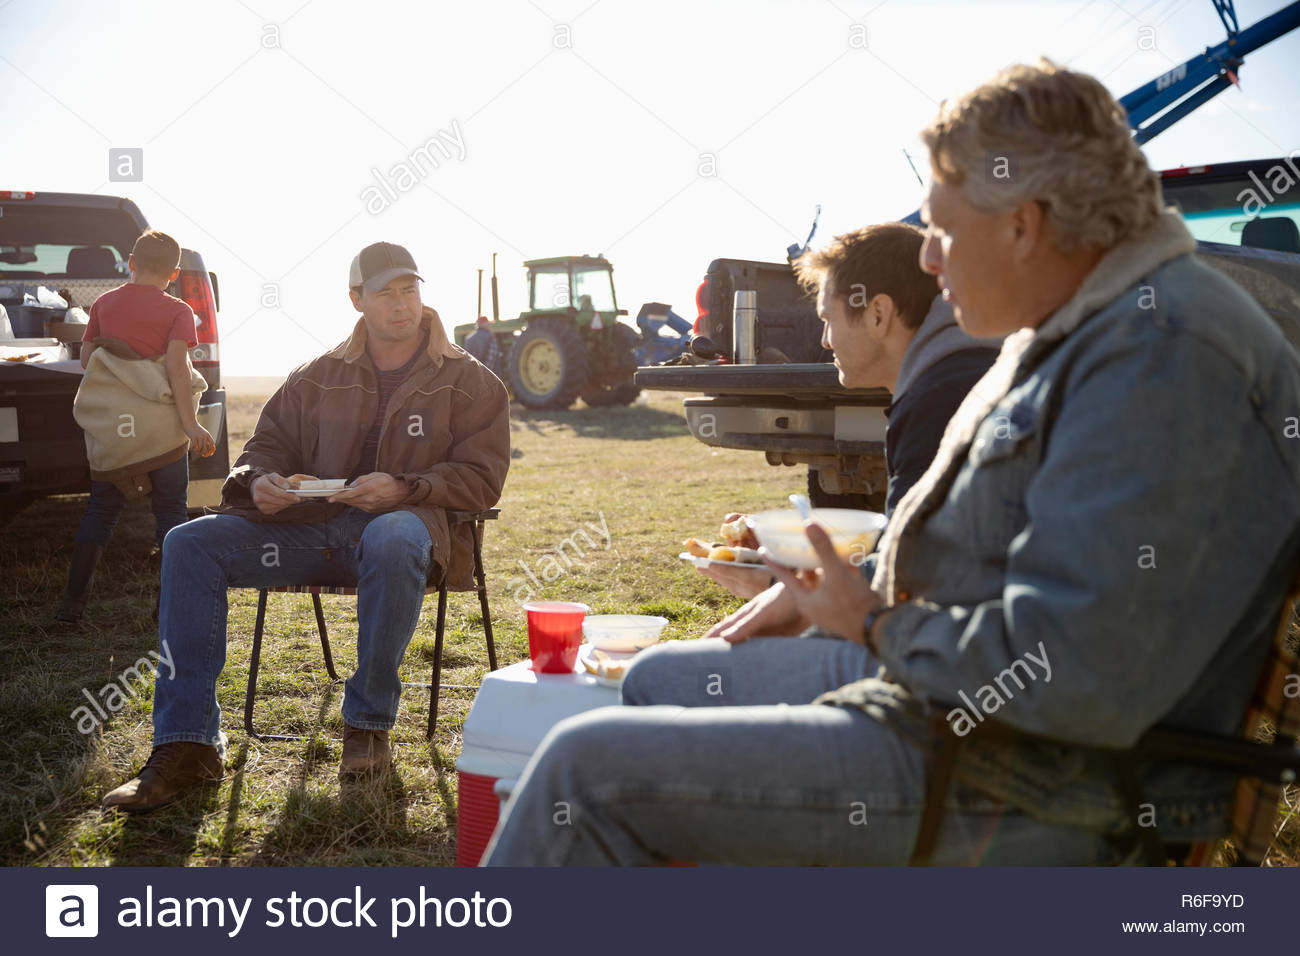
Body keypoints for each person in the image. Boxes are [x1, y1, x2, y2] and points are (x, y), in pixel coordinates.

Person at [482, 60, 1300, 865]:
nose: (930, 264)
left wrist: (873, 627)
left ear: (1022, 224)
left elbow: (1078, 673)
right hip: (960, 728)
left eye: (941, 231)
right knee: (646, 701)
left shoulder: (1161, 352)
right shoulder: (1081, 335)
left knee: (581, 774)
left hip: (1028, 785)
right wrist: (840, 597)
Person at [101, 241, 511, 813]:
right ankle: (187, 743)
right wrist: (259, 481)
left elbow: (482, 478)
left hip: (401, 538)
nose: (401, 304)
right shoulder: (316, 376)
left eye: (409, 290)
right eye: (386, 293)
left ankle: (367, 724)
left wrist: (405, 488)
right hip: (306, 533)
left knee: (393, 534)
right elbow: (263, 448)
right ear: (356, 300)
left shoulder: (471, 381)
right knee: (188, 541)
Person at [697, 223, 997, 600]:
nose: (824, 339)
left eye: (828, 318)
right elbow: (914, 550)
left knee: (662, 664)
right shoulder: (958, 374)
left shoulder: (939, 403)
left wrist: (780, 585)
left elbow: (907, 583)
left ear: (877, 315)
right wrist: (793, 562)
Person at [55, 230, 216, 623]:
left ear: (130, 262)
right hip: (162, 434)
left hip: (118, 436)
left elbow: (88, 358)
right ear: (174, 273)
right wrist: (191, 424)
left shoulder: (105, 304)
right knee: (171, 514)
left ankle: (71, 605)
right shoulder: (178, 311)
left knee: (100, 511)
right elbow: (178, 370)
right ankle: (169, 607)